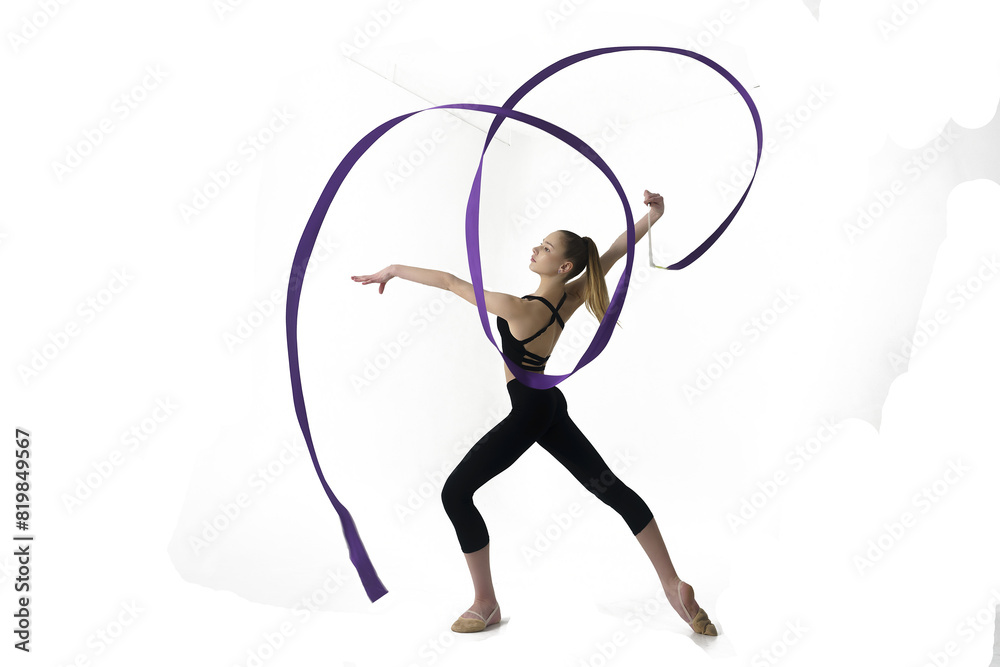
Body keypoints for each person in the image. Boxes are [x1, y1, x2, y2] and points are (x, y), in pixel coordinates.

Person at [350, 189, 717, 636]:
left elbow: (449, 282)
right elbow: (618, 249)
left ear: (563, 266)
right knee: (612, 490)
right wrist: (654, 215)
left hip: (529, 411)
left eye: (544, 248)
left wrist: (393, 270)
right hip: (547, 408)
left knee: (455, 493)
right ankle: (672, 584)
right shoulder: (574, 294)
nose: (535, 249)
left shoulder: (519, 308)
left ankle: (485, 603)